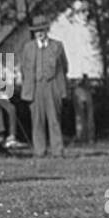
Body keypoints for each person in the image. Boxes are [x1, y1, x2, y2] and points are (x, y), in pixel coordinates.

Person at [17, 16, 68, 157]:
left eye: (41, 30)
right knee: (37, 121)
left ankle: (58, 151)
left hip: (53, 87)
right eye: (36, 31)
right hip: (35, 87)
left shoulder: (57, 46)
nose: (39, 33)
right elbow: (23, 69)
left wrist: (59, 87)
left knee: (54, 119)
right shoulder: (28, 48)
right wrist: (28, 87)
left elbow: (64, 67)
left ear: (47, 30)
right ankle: (40, 151)